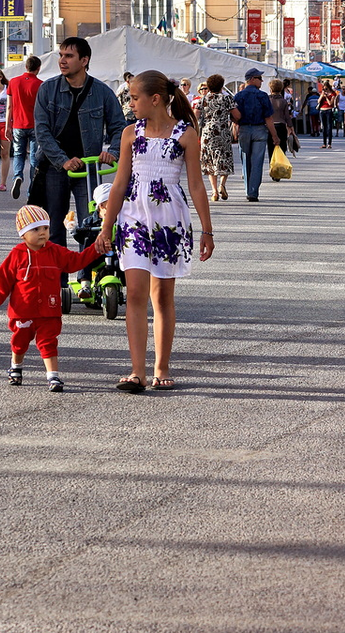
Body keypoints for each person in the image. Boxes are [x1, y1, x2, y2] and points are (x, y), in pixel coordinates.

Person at [97, 70, 213, 392]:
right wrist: (106, 228)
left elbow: (196, 185)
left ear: (155, 99)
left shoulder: (186, 135)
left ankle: (161, 367)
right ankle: (137, 372)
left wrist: (207, 230)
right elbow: (120, 184)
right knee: (134, 292)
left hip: (169, 222)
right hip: (134, 219)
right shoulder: (130, 134)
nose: (131, 104)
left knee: (162, 297)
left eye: (134, 98)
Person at [0, 204, 99, 393]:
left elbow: (76, 261)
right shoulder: (17, 255)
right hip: (23, 311)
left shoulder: (56, 251)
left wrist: (96, 249)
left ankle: (53, 376)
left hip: (49, 310)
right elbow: (3, 278)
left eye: (45, 228)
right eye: (35, 229)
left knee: (48, 342)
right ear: (23, 234)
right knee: (19, 342)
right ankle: (16, 366)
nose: (42, 233)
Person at [33, 36, 125, 261]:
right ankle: (58, 281)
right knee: (54, 226)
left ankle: (87, 278)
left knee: (91, 223)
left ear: (84, 60)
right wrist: (62, 160)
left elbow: (120, 127)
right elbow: (42, 132)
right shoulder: (48, 89)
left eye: (69, 56)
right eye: (61, 55)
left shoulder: (102, 92)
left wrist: (112, 151)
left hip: (89, 168)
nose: (62, 61)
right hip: (55, 167)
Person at [230, 68, 279, 202]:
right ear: (251, 79)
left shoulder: (238, 96)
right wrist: (274, 136)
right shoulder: (262, 96)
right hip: (259, 130)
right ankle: (253, 192)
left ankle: (248, 189)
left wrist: (235, 130)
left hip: (244, 130)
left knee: (246, 160)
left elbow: (234, 117)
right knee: (257, 162)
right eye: (259, 78)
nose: (262, 81)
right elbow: (268, 118)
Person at [6, 55, 42, 200]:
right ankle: (32, 190)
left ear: (26, 67)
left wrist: (8, 126)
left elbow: (9, 106)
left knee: (18, 154)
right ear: (38, 68)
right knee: (34, 158)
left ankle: (17, 176)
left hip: (18, 125)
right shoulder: (40, 84)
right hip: (35, 125)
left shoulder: (13, 82)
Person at [198, 73, 234, 201]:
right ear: (221, 86)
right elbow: (237, 115)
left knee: (210, 162)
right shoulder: (226, 99)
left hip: (207, 133)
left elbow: (195, 115)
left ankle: (214, 192)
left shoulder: (203, 99)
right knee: (224, 159)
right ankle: (222, 185)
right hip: (222, 132)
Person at [267, 77, 294, 160]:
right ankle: (281, 168)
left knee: (271, 150)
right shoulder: (283, 101)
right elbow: (287, 116)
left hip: (270, 127)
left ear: (271, 88)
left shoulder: (267, 100)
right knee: (282, 149)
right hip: (281, 126)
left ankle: (272, 168)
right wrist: (291, 128)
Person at [318, 82, 336, 148]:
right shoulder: (323, 93)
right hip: (322, 110)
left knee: (329, 127)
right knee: (324, 127)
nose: (325, 89)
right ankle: (324, 143)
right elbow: (318, 101)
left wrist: (326, 97)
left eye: (326, 88)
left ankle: (329, 143)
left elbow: (330, 103)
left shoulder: (333, 93)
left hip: (329, 110)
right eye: (324, 88)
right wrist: (322, 95)